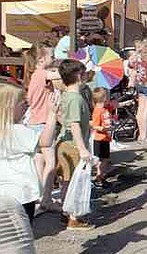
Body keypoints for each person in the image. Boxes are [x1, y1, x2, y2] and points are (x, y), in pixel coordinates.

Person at [0, 79, 57, 224]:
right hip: (22, 192)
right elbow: (46, 141)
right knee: (23, 233)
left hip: (4, 192)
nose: (27, 106)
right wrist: (52, 114)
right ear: (9, 107)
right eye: (23, 103)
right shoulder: (17, 131)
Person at [55, 59, 93, 230]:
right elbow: (75, 125)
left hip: (65, 143)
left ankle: (65, 212)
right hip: (74, 146)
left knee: (66, 181)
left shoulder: (65, 95)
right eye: (84, 73)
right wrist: (83, 149)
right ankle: (74, 218)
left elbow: (63, 119)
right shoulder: (76, 99)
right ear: (78, 76)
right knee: (75, 183)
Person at [24, 45, 60, 212]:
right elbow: (61, 74)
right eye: (52, 56)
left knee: (39, 160)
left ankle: (39, 194)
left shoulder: (34, 76)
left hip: (33, 122)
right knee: (51, 163)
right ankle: (46, 198)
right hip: (44, 123)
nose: (54, 58)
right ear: (41, 60)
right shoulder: (42, 74)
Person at [90, 87, 112, 187]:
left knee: (104, 159)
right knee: (103, 160)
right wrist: (103, 128)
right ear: (104, 98)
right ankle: (99, 177)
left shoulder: (104, 109)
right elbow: (94, 125)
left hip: (105, 138)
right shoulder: (98, 110)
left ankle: (101, 176)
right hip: (100, 138)